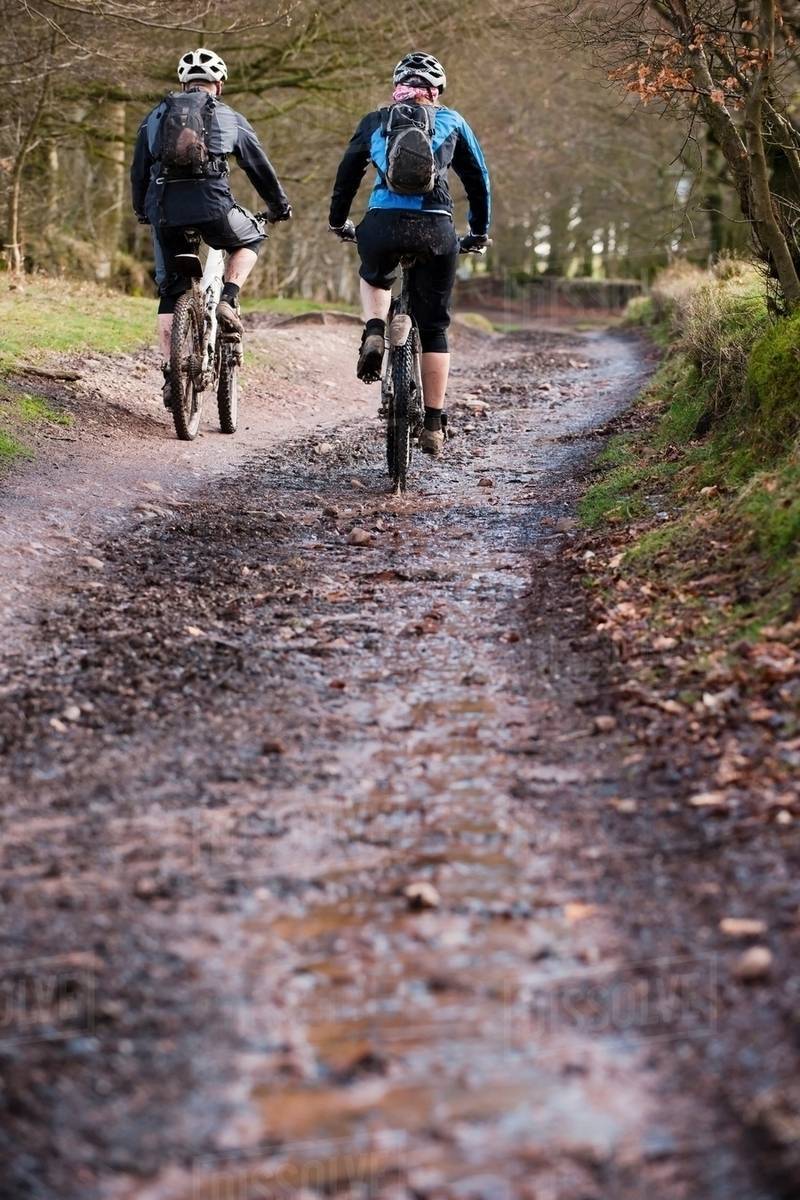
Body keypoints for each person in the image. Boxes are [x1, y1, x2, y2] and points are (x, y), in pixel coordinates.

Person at [328, 52, 491, 455]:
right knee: (433, 327)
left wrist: (339, 221)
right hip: (435, 228)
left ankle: (374, 329)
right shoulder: (452, 121)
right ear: (437, 91)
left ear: (397, 87)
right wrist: (478, 231)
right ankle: (434, 423)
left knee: (375, 275)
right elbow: (478, 181)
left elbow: (347, 174)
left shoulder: (375, 121)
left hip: (381, 224)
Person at [131, 48, 292, 404]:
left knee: (171, 295)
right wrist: (278, 206)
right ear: (218, 85)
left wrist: (143, 211)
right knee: (251, 237)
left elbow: (139, 169)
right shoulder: (229, 116)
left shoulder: (156, 116)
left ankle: (172, 375)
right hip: (213, 209)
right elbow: (258, 166)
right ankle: (229, 299)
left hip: (165, 211)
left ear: (183, 83)